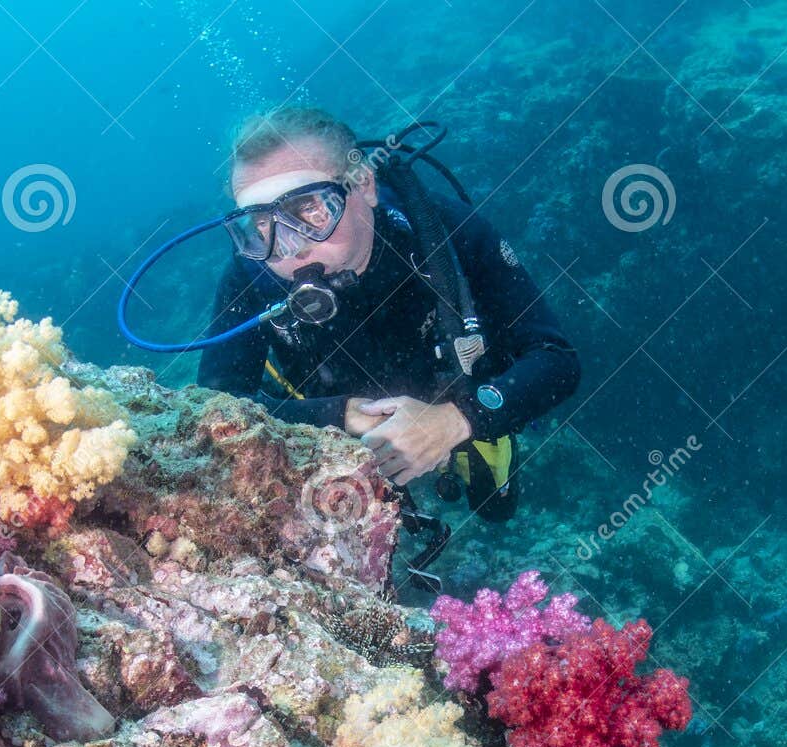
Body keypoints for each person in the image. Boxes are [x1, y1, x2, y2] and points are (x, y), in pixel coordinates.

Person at [198, 107, 580, 522]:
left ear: (364, 185)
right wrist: (337, 415)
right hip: (332, 431)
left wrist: (458, 421)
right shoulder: (250, 273)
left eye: (309, 209)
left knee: (495, 509)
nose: (288, 247)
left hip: (458, 401)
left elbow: (555, 358)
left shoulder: (443, 229)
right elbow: (216, 405)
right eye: (260, 223)